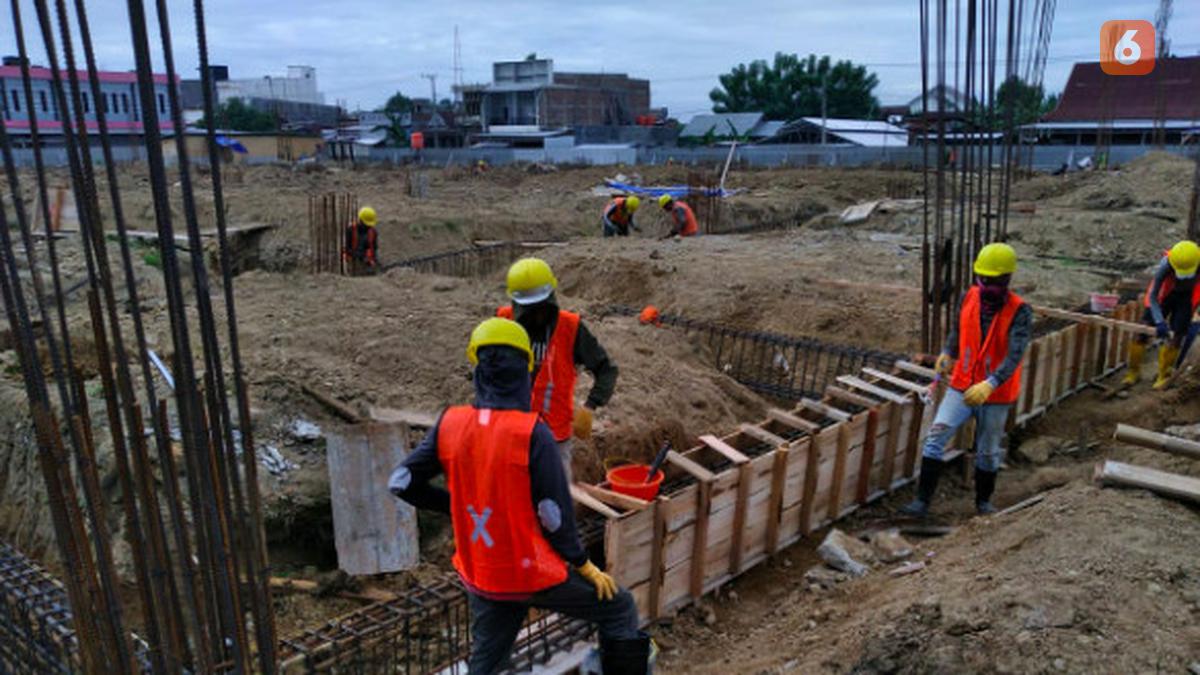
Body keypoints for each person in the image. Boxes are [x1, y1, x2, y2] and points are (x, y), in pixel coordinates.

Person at [389, 318, 650, 674]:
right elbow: (553, 515)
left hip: (482, 573)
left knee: (487, 662)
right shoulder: (532, 432)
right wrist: (582, 564)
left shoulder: (449, 423)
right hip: (530, 572)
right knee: (618, 607)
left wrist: (456, 507)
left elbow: (401, 482)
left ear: (478, 369)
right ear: (525, 373)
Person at [902, 243, 1031, 517]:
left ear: (1006, 279)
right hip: (962, 385)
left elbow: (1015, 355)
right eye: (983, 279)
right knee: (936, 438)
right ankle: (922, 502)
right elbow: (958, 330)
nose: (987, 285)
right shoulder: (969, 297)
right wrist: (948, 352)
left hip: (995, 395)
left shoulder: (1019, 311)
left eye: (993, 281)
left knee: (987, 451)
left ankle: (983, 504)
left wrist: (990, 384)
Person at [496, 258, 618, 480]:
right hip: (512, 430)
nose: (536, 314)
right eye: (529, 308)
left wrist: (591, 405)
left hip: (554, 436)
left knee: (556, 501)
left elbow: (606, 369)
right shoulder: (503, 321)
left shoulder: (570, 328)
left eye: (540, 307)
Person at [1123, 240, 1200, 389]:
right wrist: (1159, 321)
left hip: (1187, 297)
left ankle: (1163, 375)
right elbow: (1153, 297)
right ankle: (1133, 373)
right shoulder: (1166, 265)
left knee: (1178, 335)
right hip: (1165, 294)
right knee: (1142, 331)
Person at [343, 206, 379, 273]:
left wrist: (371, 259)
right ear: (361, 221)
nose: (368, 226)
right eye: (366, 224)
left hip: (366, 260)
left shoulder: (373, 232)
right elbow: (347, 247)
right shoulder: (351, 230)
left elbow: (374, 248)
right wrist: (357, 255)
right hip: (353, 257)